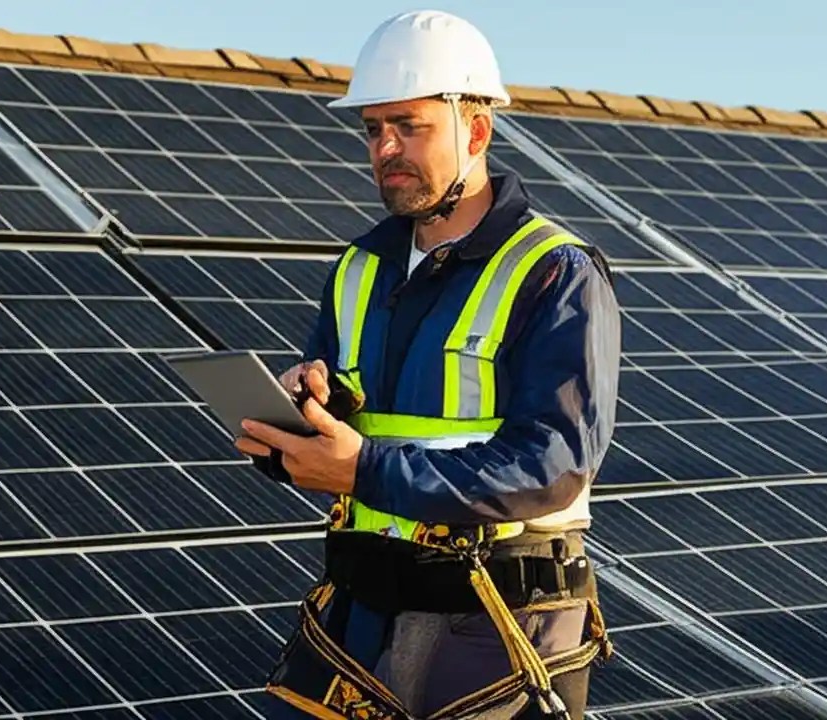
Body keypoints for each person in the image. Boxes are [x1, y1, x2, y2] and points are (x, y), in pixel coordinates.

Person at [235, 9, 622, 720]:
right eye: (373, 129)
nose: (385, 148)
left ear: (475, 130)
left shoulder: (553, 272)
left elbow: (554, 464)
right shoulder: (358, 267)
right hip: (359, 606)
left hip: (491, 619)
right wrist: (298, 420)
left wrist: (363, 469)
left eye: (408, 126)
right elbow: (362, 421)